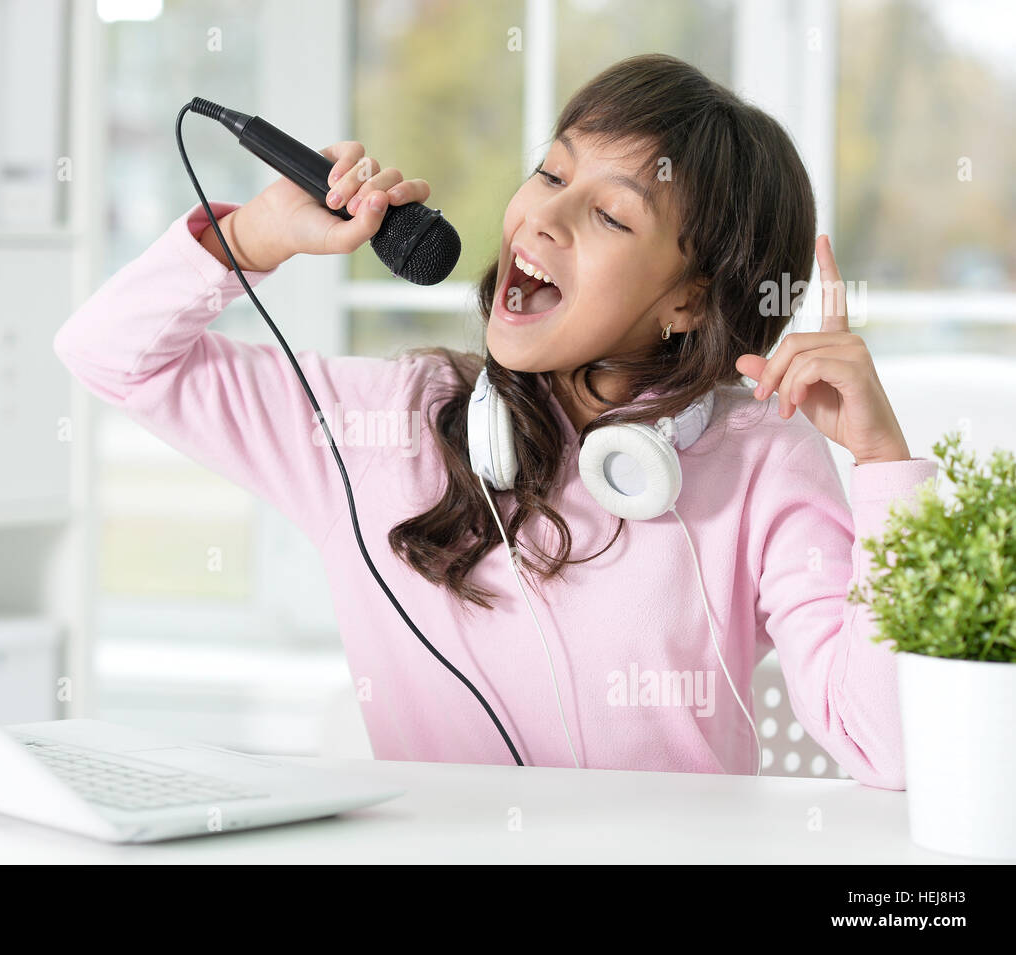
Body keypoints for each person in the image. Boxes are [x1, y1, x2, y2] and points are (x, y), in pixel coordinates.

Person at [53, 54, 937, 787]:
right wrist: (250, 239)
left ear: (689, 299)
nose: (540, 217)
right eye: (550, 173)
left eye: (608, 212)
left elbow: (886, 745)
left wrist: (883, 464)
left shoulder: (760, 461)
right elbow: (105, 351)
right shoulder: (386, 423)